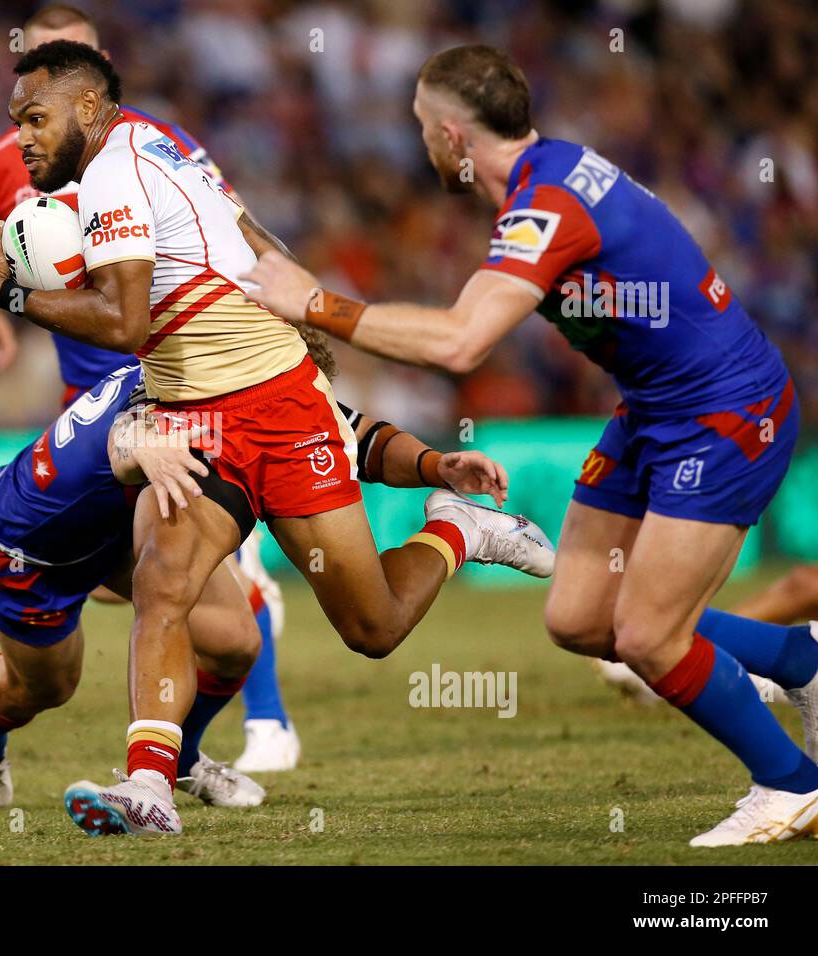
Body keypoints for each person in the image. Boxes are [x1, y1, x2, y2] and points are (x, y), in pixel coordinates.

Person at [243, 44, 818, 846]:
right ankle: (800, 660)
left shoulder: (546, 206)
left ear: (451, 136)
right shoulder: (544, 177)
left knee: (650, 636)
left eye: (419, 126)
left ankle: (791, 785)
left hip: (724, 413)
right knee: (582, 616)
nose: (417, 143)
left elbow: (459, 343)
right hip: (657, 411)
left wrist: (311, 302)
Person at [0, 39, 554, 836]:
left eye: (35, 120)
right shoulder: (160, 137)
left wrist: (15, 294)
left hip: (277, 410)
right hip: (195, 415)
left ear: (85, 108)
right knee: (163, 581)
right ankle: (149, 786)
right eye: (15, 125)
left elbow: (124, 320)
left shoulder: (116, 170)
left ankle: (459, 530)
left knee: (373, 628)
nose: (23, 141)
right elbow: (251, 234)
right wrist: (297, 309)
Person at [0, 3, 299, 770]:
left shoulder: (153, 145)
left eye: (63, 64)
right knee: (60, 673)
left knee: (218, 590)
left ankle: (210, 747)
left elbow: (233, 220)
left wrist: (296, 298)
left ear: (93, 81)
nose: (37, 102)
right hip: (102, 398)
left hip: (180, 380)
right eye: (31, 72)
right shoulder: (1, 164)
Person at [0, 361, 265, 820]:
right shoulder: (181, 390)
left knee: (234, 641)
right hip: (26, 548)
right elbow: (129, 438)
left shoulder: (197, 368)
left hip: (112, 527)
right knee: (46, 687)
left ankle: (176, 760)